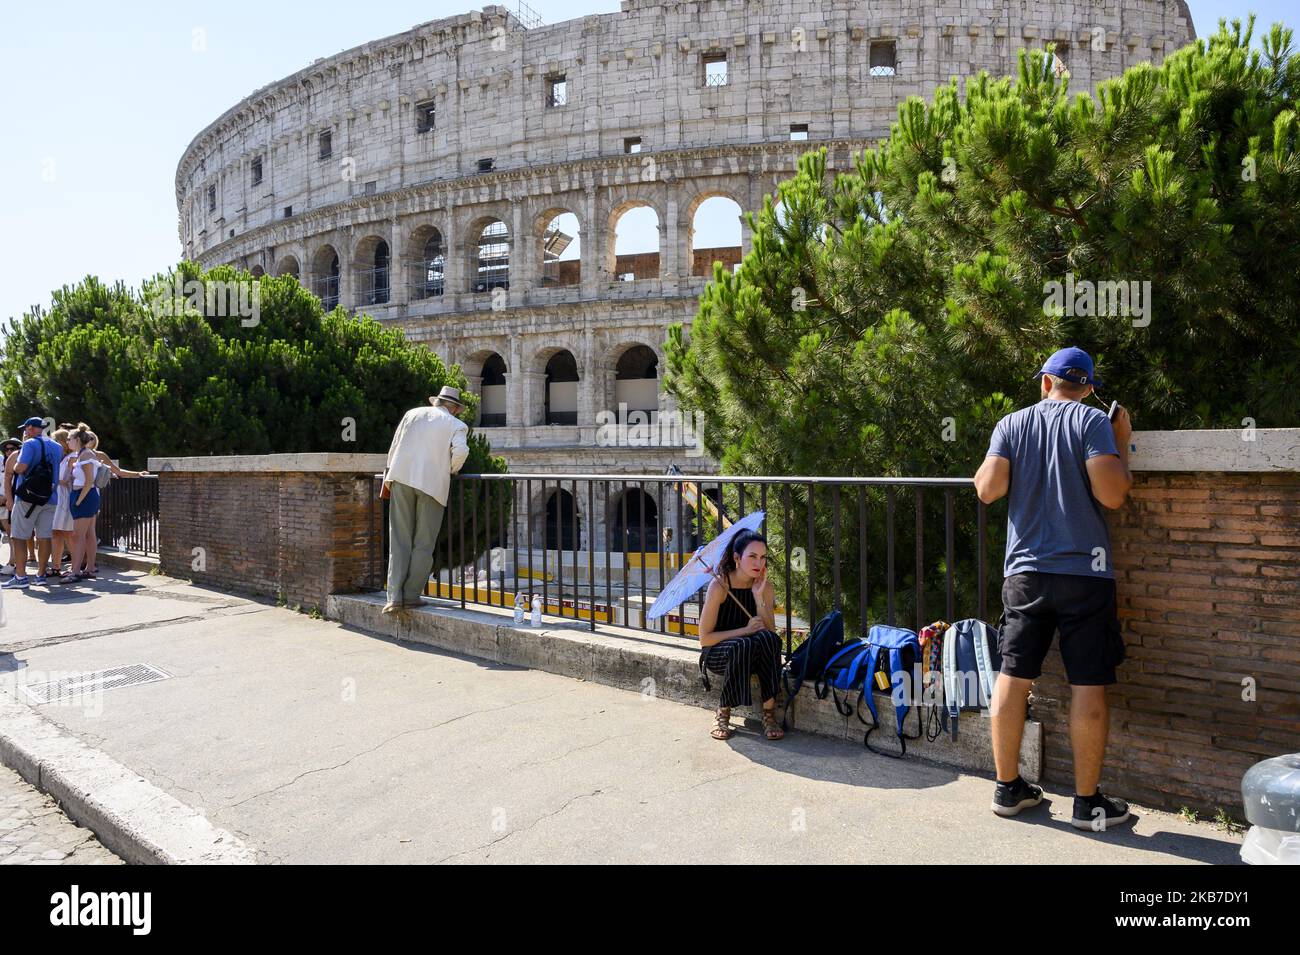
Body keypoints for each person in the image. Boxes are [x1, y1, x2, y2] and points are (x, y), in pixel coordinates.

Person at [973, 346, 1134, 832]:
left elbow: (987, 489)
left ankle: (1008, 788)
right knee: (1088, 684)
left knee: (1013, 677)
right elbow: (1112, 494)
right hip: (1086, 575)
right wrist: (1121, 442)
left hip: (1025, 576)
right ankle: (1088, 805)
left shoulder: (1011, 423)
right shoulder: (1092, 423)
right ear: (1087, 388)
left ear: (1045, 382)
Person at [381, 386, 470, 613]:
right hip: (432, 485)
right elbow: (460, 453)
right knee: (423, 542)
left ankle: (393, 597)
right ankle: (410, 596)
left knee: (399, 539)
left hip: (401, 478)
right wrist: (449, 469)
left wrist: (388, 477)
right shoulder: (456, 425)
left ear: (436, 402)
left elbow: (394, 447)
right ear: (456, 409)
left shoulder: (412, 414)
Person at [697, 530, 785, 741]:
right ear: (737, 558)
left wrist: (758, 597)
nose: (759, 563)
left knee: (770, 639)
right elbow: (705, 639)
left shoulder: (764, 586)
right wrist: (744, 630)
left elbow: (770, 634)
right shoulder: (720, 586)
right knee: (742, 644)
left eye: (763, 557)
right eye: (752, 556)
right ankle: (723, 713)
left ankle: (768, 714)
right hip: (720, 653)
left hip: (751, 652)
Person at [4, 417, 64, 589]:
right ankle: (41, 575)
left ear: (30, 428)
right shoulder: (57, 446)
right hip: (50, 497)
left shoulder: (30, 444)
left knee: (19, 537)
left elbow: (21, 468)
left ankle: (21, 577)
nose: (25, 431)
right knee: (44, 537)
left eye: (26, 428)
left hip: (28, 497)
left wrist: (15, 467)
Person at [62, 427, 103, 582]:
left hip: (84, 496)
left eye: (69, 439)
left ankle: (75, 571)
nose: (67, 442)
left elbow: (89, 481)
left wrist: (79, 500)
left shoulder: (86, 454)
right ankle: (89, 567)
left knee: (77, 536)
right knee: (88, 534)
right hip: (83, 496)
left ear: (77, 440)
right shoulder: (82, 454)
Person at [48, 429, 76, 578]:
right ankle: (56, 566)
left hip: (66, 498)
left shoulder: (73, 457)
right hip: (57, 498)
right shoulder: (60, 458)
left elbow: (69, 480)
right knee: (56, 532)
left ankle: (75, 567)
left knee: (68, 533)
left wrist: (54, 480)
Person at [0, 438, 21, 572]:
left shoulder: (20, 463)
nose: (9, 451)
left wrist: (6, 498)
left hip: (12, 501)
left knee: (12, 533)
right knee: (9, 533)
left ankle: (13, 562)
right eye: (6, 449)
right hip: (3, 502)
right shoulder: (3, 462)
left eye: (12, 449)